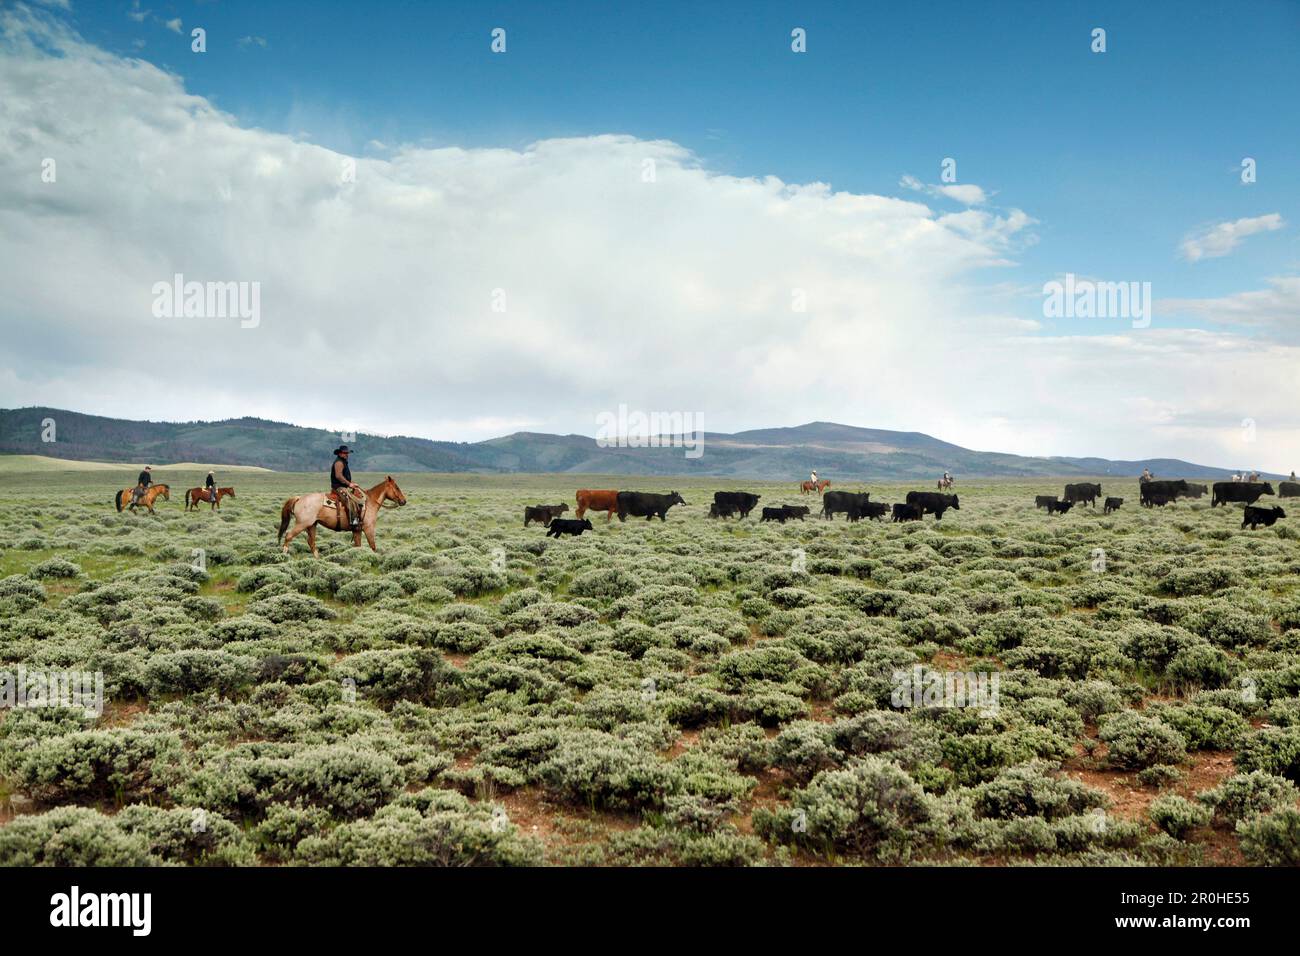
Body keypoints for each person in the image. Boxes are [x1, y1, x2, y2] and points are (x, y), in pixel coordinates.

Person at [330, 445, 364, 530]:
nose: (347, 455)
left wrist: (352, 483)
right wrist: (349, 484)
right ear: (340, 453)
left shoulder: (343, 461)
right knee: (351, 501)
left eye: (347, 453)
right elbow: (338, 476)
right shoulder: (339, 462)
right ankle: (354, 523)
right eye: (345, 453)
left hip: (343, 486)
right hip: (338, 487)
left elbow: (344, 476)